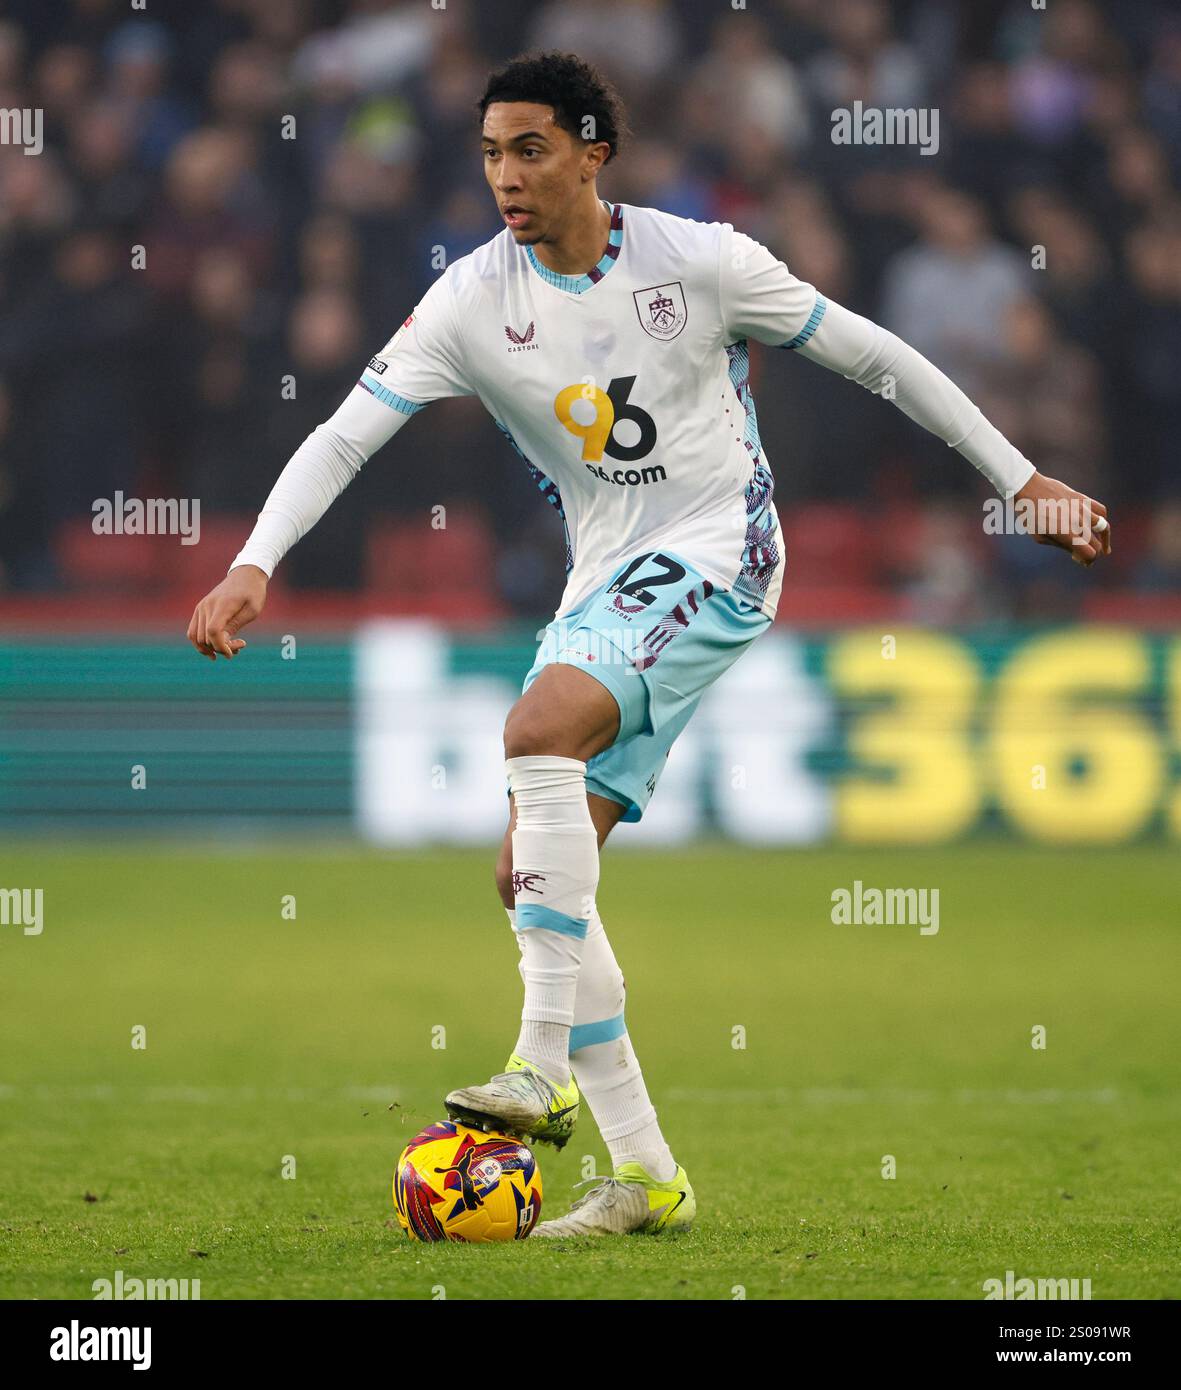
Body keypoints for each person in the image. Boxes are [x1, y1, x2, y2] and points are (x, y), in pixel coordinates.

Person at [187, 50, 1110, 1238]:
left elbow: (878, 358)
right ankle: (646, 1177)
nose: (505, 177)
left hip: (724, 548)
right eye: (487, 154)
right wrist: (255, 559)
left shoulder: (703, 260)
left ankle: (537, 1063)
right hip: (606, 577)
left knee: (533, 730)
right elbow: (341, 434)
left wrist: (1019, 477)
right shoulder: (472, 299)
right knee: (527, 872)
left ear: (590, 151)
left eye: (528, 149)